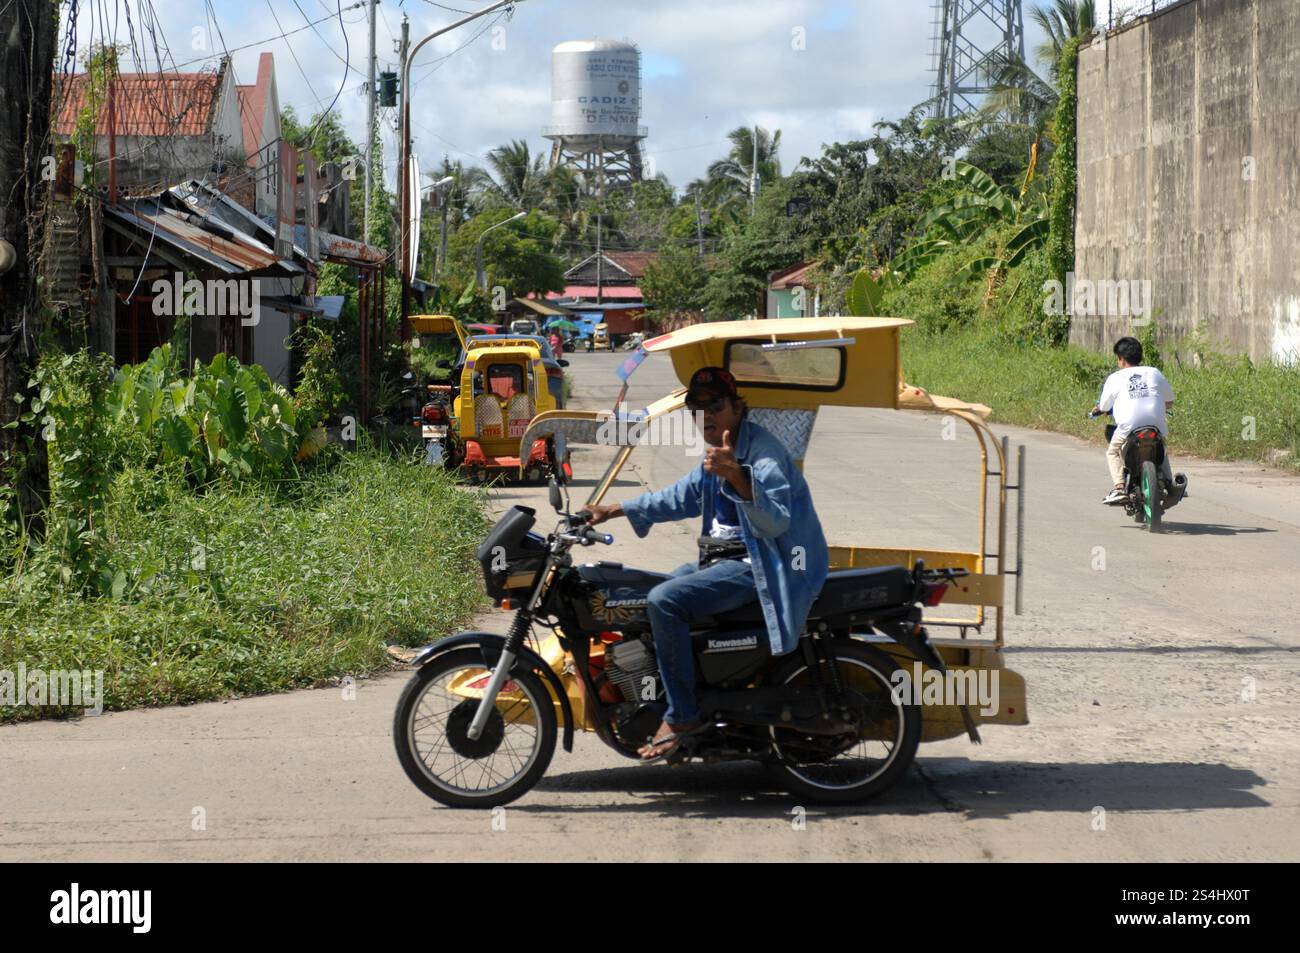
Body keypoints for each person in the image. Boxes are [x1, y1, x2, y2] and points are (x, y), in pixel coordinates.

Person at [586, 367, 829, 760]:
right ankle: (683, 686)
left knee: (665, 601)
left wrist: (736, 476)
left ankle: (682, 715)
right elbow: (679, 497)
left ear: (736, 406)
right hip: (721, 562)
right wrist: (614, 509)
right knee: (643, 593)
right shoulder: (716, 457)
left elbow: (776, 520)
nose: (706, 417)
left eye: (715, 405)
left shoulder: (761, 453)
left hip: (759, 566)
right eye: (696, 410)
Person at [1090, 336, 1178, 504]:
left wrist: (1098, 410)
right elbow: (1169, 401)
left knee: (1113, 451)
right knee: (1162, 446)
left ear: (1122, 359)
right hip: (1155, 423)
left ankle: (1119, 488)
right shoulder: (1154, 372)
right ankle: (1169, 482)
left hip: (1129, 425)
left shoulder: (1115, 378)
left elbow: (1104, 406)